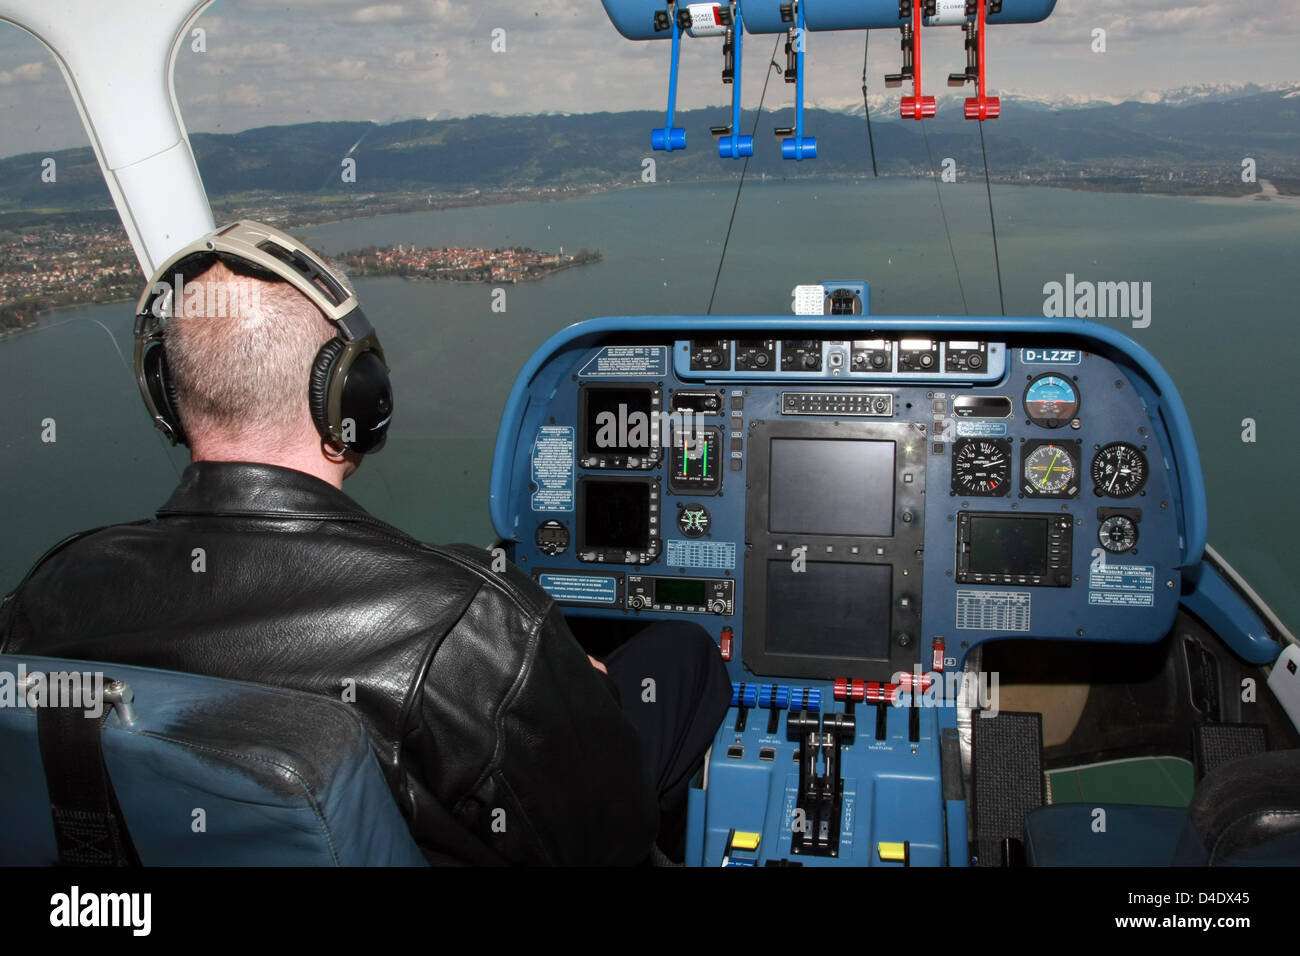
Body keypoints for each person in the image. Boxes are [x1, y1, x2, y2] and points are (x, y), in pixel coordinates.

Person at [0, 221, 731, 865]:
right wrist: (572, 687)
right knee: (686, 655)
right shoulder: (470, 628)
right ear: (354, 399)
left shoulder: (49, 595)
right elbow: (610, 833)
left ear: (165, 396)